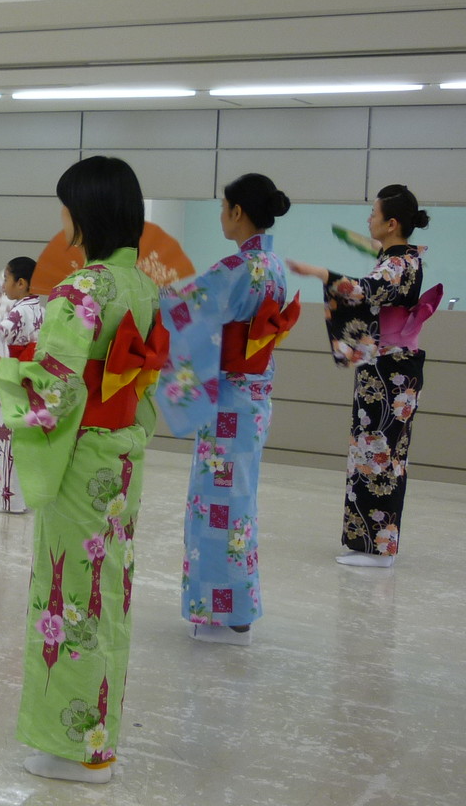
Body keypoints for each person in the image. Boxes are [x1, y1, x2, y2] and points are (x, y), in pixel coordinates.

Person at [0, 155, 166, 784]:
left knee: (71, 597)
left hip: (82, 454)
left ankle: (76, 747)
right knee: (107, 592)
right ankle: (97, 734)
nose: (62, 218)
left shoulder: (85, 290)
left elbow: (54, 393)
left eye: (66, 207)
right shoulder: (143, 285)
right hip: (120, 456)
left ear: (84, 214)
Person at [158, 174, 297, 646]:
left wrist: (155, 292)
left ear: (238, 212)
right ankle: (236, 609)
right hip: (253, 397)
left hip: (230, 403)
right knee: (239, 503)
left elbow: (186, 306)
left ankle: (225, 615)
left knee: (218, 507)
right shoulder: (274, 265)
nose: (221, 215)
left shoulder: (240, 266)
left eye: (223, 207)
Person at [288, 185, 441, 569]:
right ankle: (372, 545)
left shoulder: (397, 263)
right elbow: (377, 270)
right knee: (376, 453)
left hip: (392, 368)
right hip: (389, 366)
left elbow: (364, 290)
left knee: (380, 455)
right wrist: (362, 243)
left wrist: (320, 272)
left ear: (391, 223)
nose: (368, 219)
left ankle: (377, 549)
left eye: (373, 214)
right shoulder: (399, 257)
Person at [0, 256, 44, 514]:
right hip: (32, 382)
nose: (5, 285)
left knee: (7, 443)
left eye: (7, 279)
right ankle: (27, 497)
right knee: (27, 443)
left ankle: (9, 500)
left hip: (12, 382)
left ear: (21, 283)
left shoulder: (19, 311)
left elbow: (0, 332)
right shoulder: (41, 309)